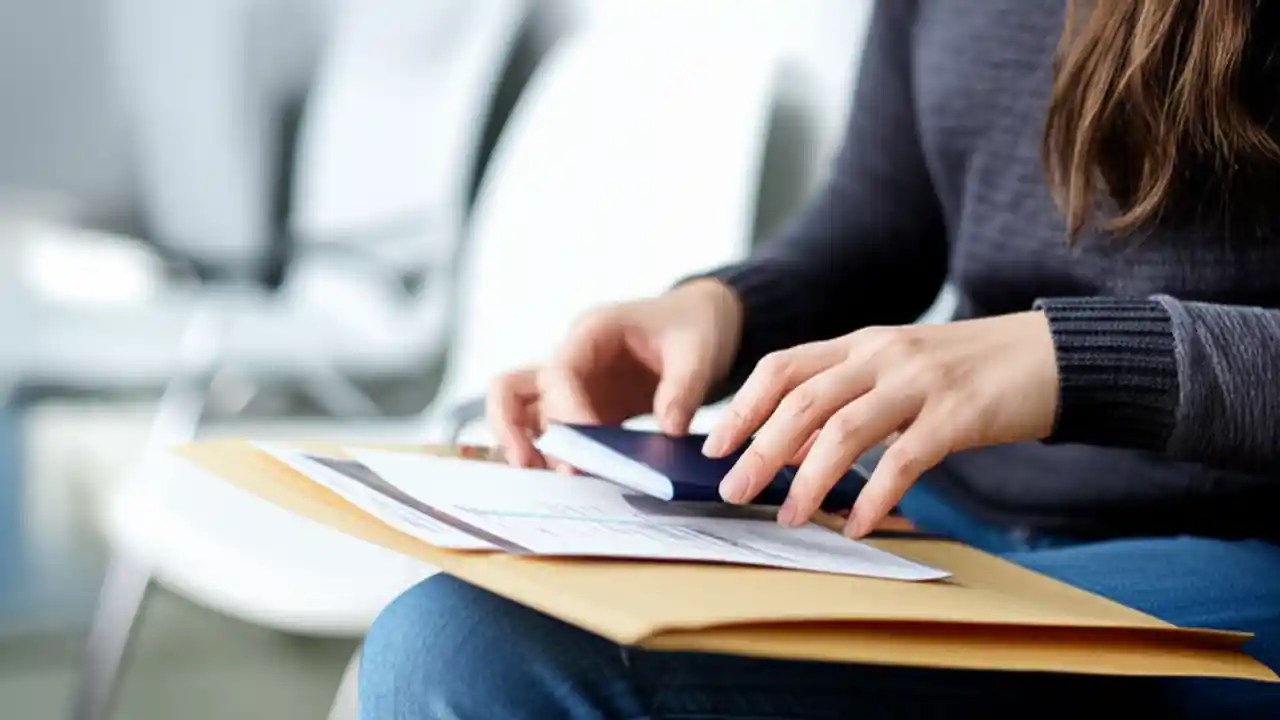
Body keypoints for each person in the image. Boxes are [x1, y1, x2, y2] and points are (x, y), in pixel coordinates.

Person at [359, 1, 1280, 717]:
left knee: (461, 651)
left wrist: (1074, 358)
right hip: (935, 512)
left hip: (1240, 547)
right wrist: (721, 311)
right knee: (470, 618)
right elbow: (882, 224)